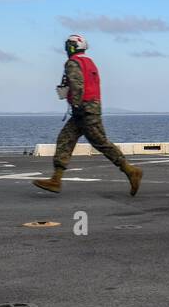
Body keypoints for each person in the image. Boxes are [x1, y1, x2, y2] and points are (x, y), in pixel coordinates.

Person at [32, 34, 142, 195]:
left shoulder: (73, 63)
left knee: (101, 143)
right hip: (90, 108)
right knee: (65, 140)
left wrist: (76, 104)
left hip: (83, 110)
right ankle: (56, 179)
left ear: (72, 47)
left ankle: (131, 171)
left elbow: (77, 85)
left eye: (68, 45)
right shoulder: (89, 62)